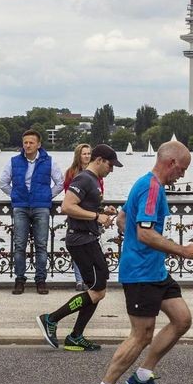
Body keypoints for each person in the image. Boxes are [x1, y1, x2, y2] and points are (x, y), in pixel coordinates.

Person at [87, 140, 193, 384]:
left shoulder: (145, 184)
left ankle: (143, 376)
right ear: (171, 163)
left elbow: (122, 218)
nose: (182, 175)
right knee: (141, 334)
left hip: (155, 270)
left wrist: (131, 236)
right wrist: (183, 250)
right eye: (182, 169)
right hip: (141, 272)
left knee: (182, 319)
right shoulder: (152, 188)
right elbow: (144, 232)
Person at [37, 144, 122, 352]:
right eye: (110, 165)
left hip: (88, 238)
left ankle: (76, 336)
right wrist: (96, 216)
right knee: (98, 289)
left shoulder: (93, 180)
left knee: (97, 288)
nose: (111, 170)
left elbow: (84, 205)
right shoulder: (83, 178)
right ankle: (51, 319)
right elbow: (67, 206)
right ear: (100, 160)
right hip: (81, 240)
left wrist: (102, 210)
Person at [0, 129, 62, 295]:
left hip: (41, 207)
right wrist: (15, 195)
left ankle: (40, 280)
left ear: (38, 144)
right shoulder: (13, 161)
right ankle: (20, 280)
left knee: (41, 245)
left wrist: (48, 195)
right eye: (25, 142)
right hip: (20, 206)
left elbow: (60, 183)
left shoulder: (49, 162)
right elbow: (3, 183)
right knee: (19, 245)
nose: (27, 145)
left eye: (31, 142)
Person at [63, 143, 95, 291]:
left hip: (91, 215)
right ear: (78, 155)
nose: (87, 156)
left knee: (90, 247)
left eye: (89, 153)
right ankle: (79, 280)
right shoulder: (71, 172)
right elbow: (67, 194)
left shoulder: (95, 173)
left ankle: (89, 278)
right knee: (78, 248)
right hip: (76, 214)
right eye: (84, 153)